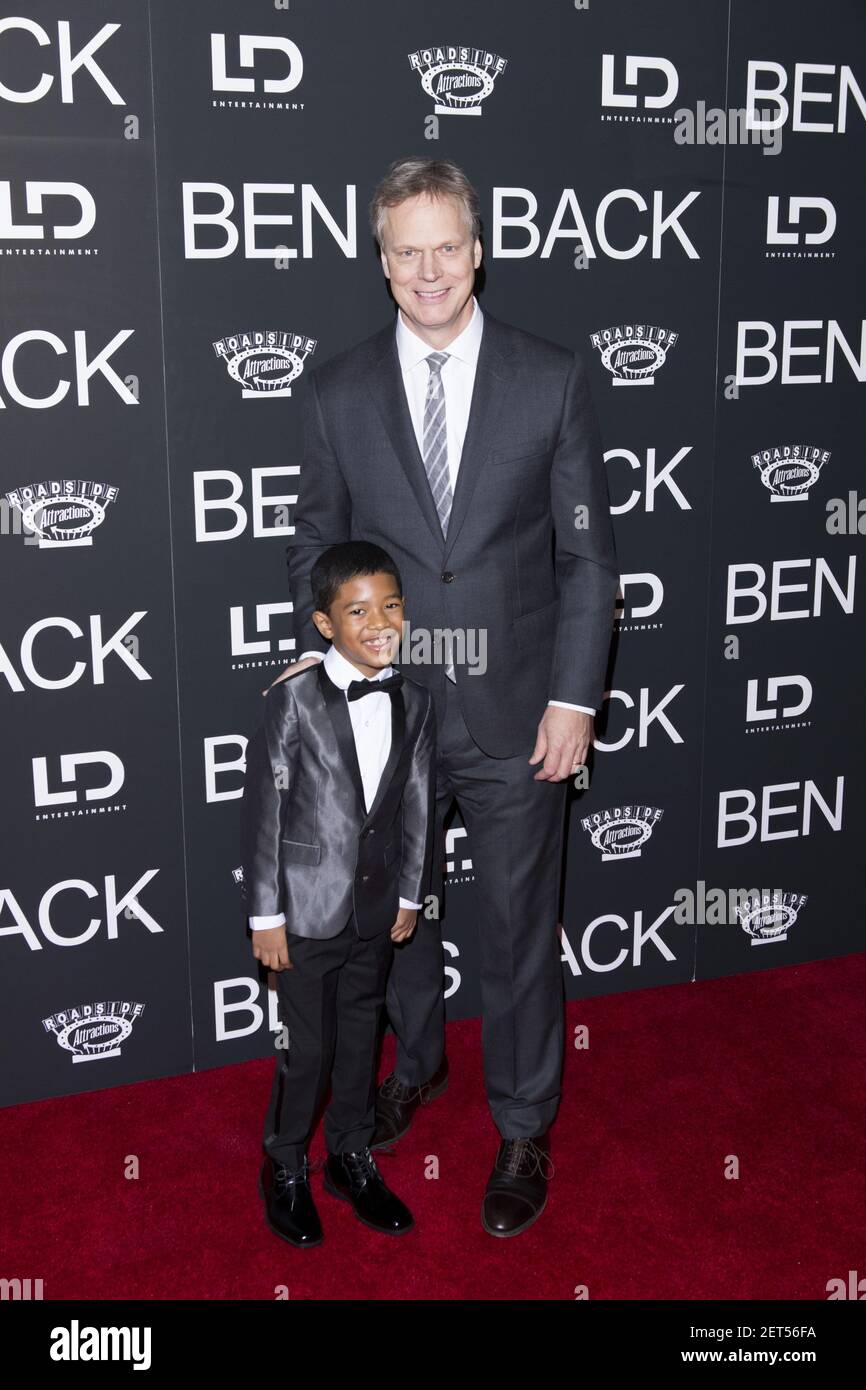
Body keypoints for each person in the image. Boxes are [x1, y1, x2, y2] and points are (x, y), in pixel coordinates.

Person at [271, 156, 619, 1237]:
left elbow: (588, 560)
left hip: (518, 710)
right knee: (390, 932)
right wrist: (340, 658)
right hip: (390, 715)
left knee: (520, 928)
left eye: (444, 246)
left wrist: (574, 698)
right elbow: (313, 550)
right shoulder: (334, 391)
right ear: (381, 264)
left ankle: (522, 1123)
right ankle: (409, 1069)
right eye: (403, 251)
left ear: (478, 251)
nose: (427, 270)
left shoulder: (549, 376)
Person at [241, 540, 436, 1247]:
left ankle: (351, 1154)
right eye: (357, 611)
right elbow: (263, 814)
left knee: (362, 1037)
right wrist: (266, 916)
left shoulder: (415, 699)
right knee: (310, 1048)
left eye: (390, 606)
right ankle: (284, 1162)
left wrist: (411, 897)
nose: (378, 622)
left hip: (378, 909)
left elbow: (417, 805)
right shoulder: (290, 699)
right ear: (326, 624)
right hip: (304, 913)